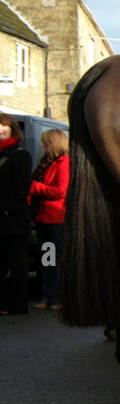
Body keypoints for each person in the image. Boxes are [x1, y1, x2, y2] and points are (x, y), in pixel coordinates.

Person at [29, 128, 69, 310]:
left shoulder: (63, 163)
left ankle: (56, 297)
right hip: (44, 217)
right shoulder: (47, 163)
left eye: (44, 142)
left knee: (54, 258)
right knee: (47, 257)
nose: (42, 146)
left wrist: (35, 187)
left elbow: (60, 191)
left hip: (55, 218)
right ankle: (48, 296)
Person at [0, 114, 31, 315]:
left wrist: (7, 208)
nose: (0, 131)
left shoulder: (20, 155)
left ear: (12, 129)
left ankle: (18, 304)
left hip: (13, 219)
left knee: (19, 263)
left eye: (3, 127)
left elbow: (22, 187)